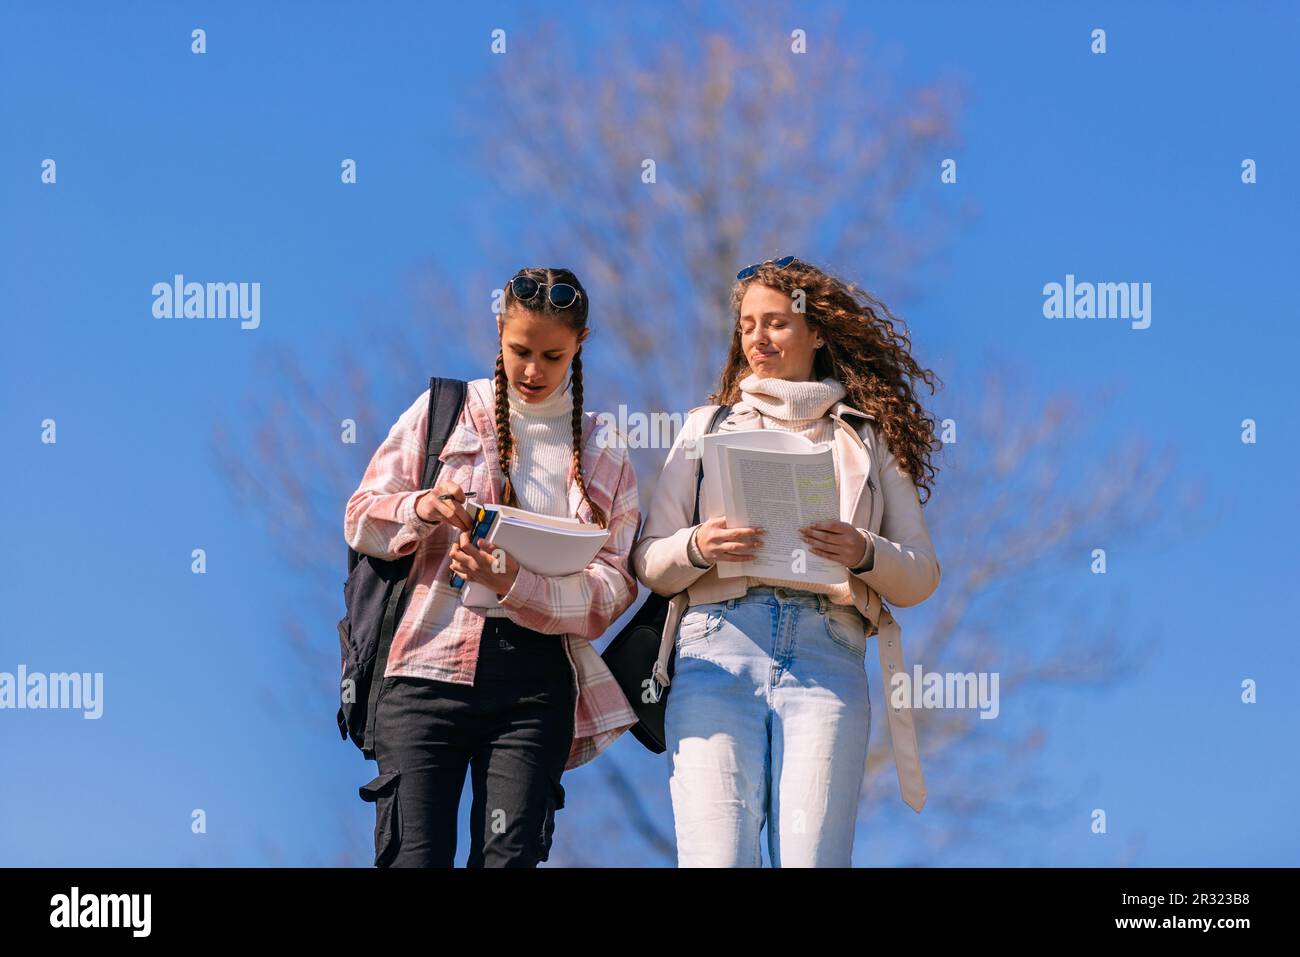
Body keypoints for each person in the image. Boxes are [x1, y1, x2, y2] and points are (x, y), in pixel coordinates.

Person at [631, 256, 942, 867]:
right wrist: (698, 546)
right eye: (747, 325)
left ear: (817, 330)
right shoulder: (704, 426)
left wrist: (863, 550)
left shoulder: (865, 437)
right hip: (715, 649)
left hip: (828, 653)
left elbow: (922, 574)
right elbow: (648, 559)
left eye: (775, 323)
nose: (757, 338)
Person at [344, 267, 639, 867]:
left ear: (580, 345)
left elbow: (612, 587)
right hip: (425, 670)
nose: (532, 371)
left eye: (552, 356)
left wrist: (512, 584)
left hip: (535, 688)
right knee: (412, 858)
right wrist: (423, 506)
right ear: (499, 332)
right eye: (519, 351)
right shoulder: (443, 411)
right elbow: (361, 520)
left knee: (510, 858)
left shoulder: (602, 448)